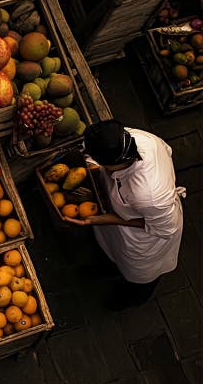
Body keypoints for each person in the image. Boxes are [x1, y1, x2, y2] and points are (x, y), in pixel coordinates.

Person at [66, 120, 185, 308]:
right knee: (110, 249)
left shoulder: (149, 195)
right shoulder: (130, 139)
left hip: (143, 238)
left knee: (139, 277)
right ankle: (108, 269)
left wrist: (109, 219)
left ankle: (132, 299)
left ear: (112, 164)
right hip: (121, 215)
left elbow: (163, 228)